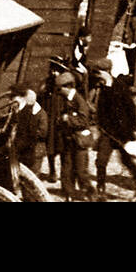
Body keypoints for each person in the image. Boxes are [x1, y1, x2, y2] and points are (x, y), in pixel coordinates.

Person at [95, 67, 136, 194]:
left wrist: (134, 130)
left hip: (122, 132)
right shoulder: (102, 89)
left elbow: (131, 109)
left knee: (127, 160)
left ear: (106, 72)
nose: (98, 78)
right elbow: (101, 111)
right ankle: (100, 189)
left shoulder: (120, 87)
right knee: (101, 160)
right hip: (107, 132)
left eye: (99, 74)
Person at [52, 71, 96, 201]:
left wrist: (68, 119)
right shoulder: (67, 99)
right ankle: (68, 195)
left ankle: (91, 194)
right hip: (69, 140)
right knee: (66, 170)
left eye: (60, 89)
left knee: (81, 171)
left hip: (79, 141)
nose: (59, 92)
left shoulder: (79, 100)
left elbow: (84, 121)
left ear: (68, 87)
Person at [12, 86, 47, 175]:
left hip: (36, 149)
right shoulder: (23, 111)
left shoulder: (40, 114)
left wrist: (29, 134)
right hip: (26, 148)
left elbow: (43, 132)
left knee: (32, 174)